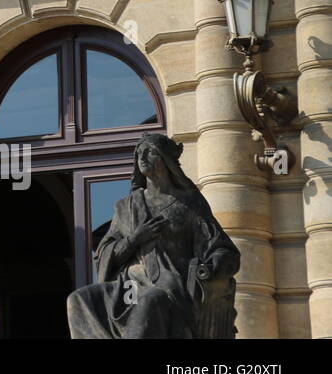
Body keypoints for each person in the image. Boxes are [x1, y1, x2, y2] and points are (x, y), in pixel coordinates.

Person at [67, 132, 240, 338]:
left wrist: (212, 266)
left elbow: (222, 248)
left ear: (166, 160)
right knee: (80, 299)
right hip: (129, 286)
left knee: (149, 302)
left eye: (150, 152)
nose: (142, 157)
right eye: (139, 153)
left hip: (169, 285)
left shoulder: (189, 203)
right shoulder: (126, 206)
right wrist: (134, 240)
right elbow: (103, 252)